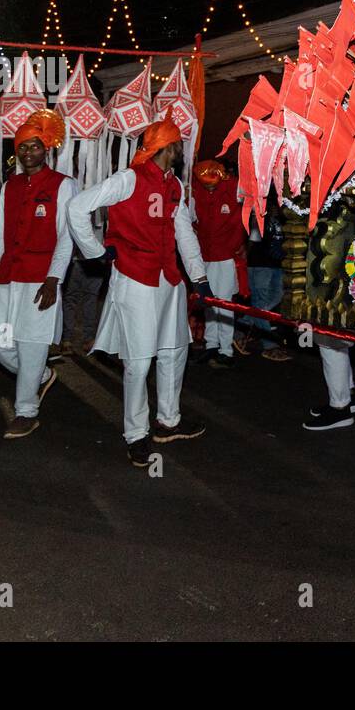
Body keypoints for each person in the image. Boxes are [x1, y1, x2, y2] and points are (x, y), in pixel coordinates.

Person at [67, 120, 212, 467]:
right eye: (178, 145)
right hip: (134, 280)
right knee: (138, 360)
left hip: (169, 280)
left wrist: (199, 276)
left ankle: (168, 420)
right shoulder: (128, 179)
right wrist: (96, 251)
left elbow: (183, 233)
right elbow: (77, 207)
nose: (181, 151)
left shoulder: (174, 184)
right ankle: (136, 434)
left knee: (174, 351)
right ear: (169, 147)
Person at [0, 110, 73, 439]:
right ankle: (39, 376)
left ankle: (26, 411)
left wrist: (55, 278)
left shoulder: (63, 185)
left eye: (35, 146)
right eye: (22, 146)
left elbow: (67, 238)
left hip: (42, 282)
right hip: (10, 280)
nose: (28, 152)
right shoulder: (9, 186)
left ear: (47, 148)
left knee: (31, 344)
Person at [189, 160, 248, 369]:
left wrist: (241, 244)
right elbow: (191, 219)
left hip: (226, 256)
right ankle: (211, 345)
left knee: (225, 304)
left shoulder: (235, 187)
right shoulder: (195, 190)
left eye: (213, 184)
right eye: (206, 185)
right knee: (208, 301)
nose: (210, 188)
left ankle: (226, 350)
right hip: (204, 255)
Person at [239, 198, 290, 361]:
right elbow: (252, 237)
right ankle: (270, 346)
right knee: (260, 302)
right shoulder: (259, 206)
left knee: (275, 297)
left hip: (276, 262)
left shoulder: (286, 212)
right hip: (260, 263)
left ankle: (241, 328)